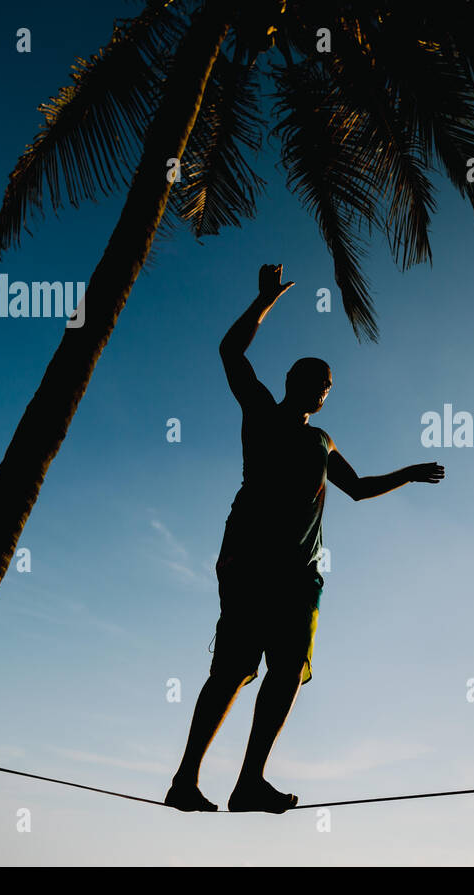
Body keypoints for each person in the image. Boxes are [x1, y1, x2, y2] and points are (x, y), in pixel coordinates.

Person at [165, 264, 444, 813]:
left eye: (331, 384)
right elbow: (230, 353)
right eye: (322, 379)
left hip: (301, 574)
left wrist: (406, 474)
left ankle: (249, 782)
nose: (327, 388)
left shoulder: (323, 438)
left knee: (289, 668)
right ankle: (185, 780)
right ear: (298, 380)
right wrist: (263, 301)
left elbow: (358, 489)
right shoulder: (262, 412)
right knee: (235, 668)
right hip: (249, 561)